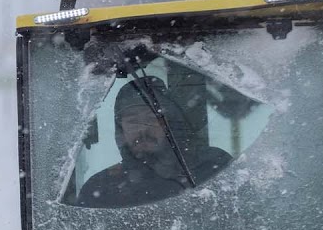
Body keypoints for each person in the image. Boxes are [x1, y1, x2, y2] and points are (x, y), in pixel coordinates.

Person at [76, 76, 231, 208]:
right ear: (121, 130)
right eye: (132, 121)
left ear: (168, 124)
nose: (142, 130)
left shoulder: (211, 166)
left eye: (151, 118)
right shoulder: (102, 188)